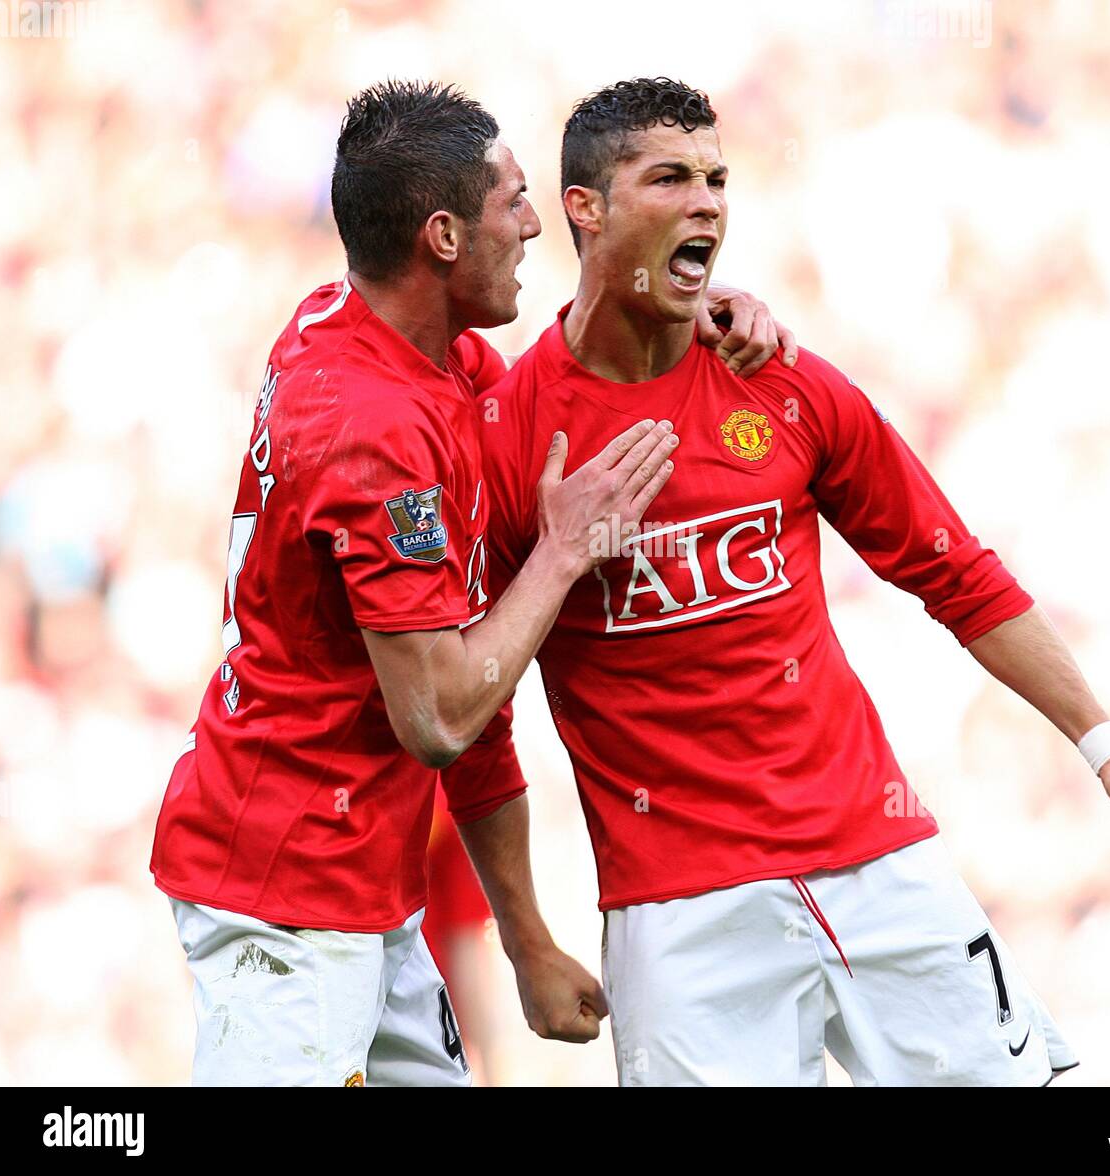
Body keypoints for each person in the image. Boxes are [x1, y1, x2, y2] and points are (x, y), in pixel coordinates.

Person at [449, 77, 1110, 1087]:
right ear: (587, 208)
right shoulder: (512, 434)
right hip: (679, 914)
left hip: (878, 860)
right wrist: (525, 936)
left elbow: (952, 571)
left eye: (717, 177)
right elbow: (472, 709)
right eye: (670, 177)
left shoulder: (778, 377)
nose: (708, 199)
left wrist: (1107, 749)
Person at [149, 80, 684, 1087]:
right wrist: (561, 556)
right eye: (514, 203)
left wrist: (697, 327)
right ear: (442, 237)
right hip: (288, 898)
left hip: (361, 882)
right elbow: (440, 715)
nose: (535, 225)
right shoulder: (371, 432)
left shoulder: (394, 345)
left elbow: (469, 663)